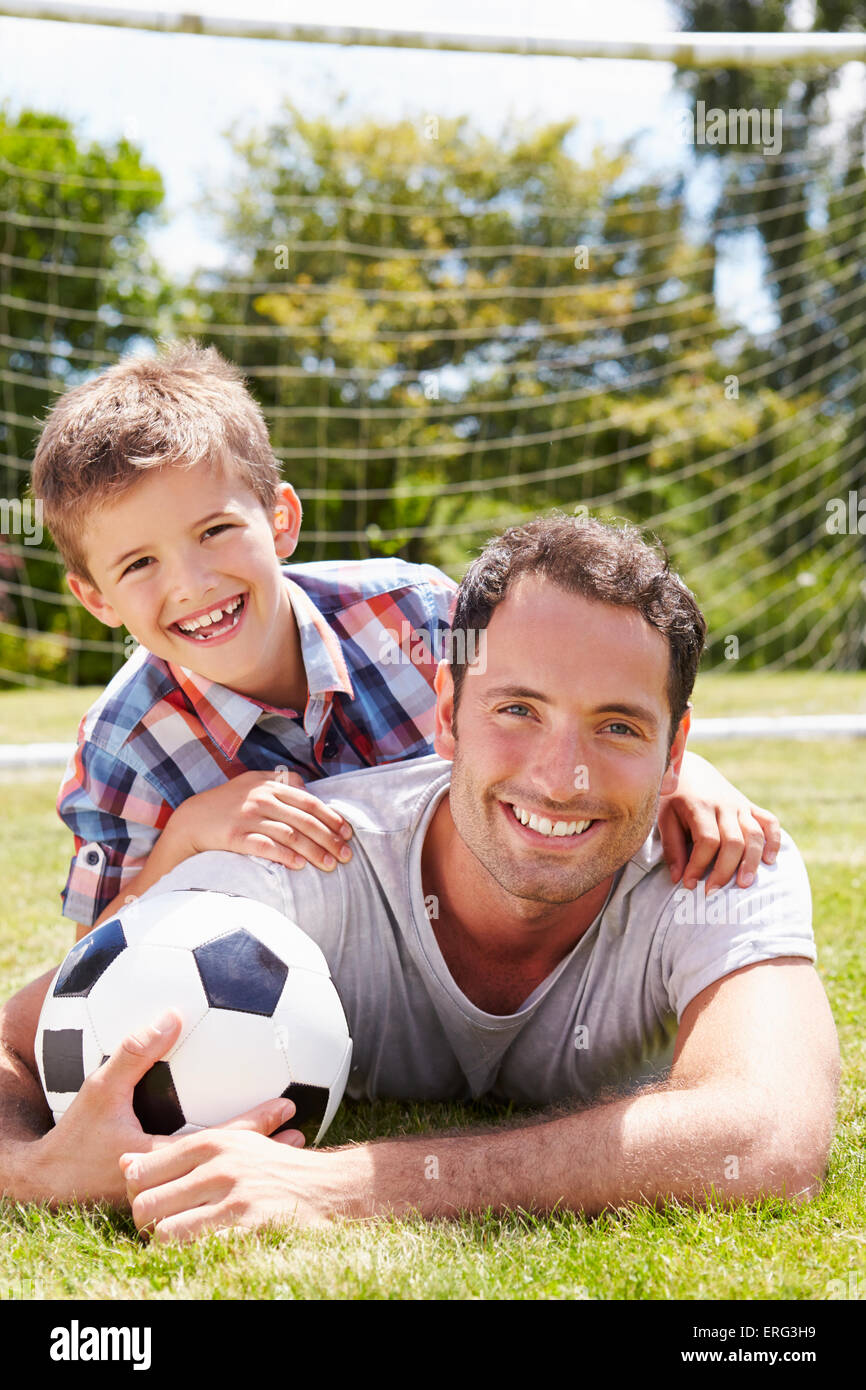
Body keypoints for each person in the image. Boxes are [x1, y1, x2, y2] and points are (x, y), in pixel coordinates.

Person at [0, 515, 838, 1237]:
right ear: (446, 715)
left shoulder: (723, 859)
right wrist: (32, 1171)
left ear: (676, 753)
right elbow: (16, 1038)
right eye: (517, 710)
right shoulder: (302, 869)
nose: (560, 777)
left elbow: (768, 1133)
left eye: (617, 726)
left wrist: (344, 1187)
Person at [31, 342, 769, 943]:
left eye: (216, 531)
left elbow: (575, 701)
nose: (191, 582)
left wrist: (685, 773)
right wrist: (186, 836)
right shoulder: (123, 744)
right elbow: (95, 961)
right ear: (95, 598)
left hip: (480, 949)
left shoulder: (413, 616)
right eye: (139, 564)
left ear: (281, 520)